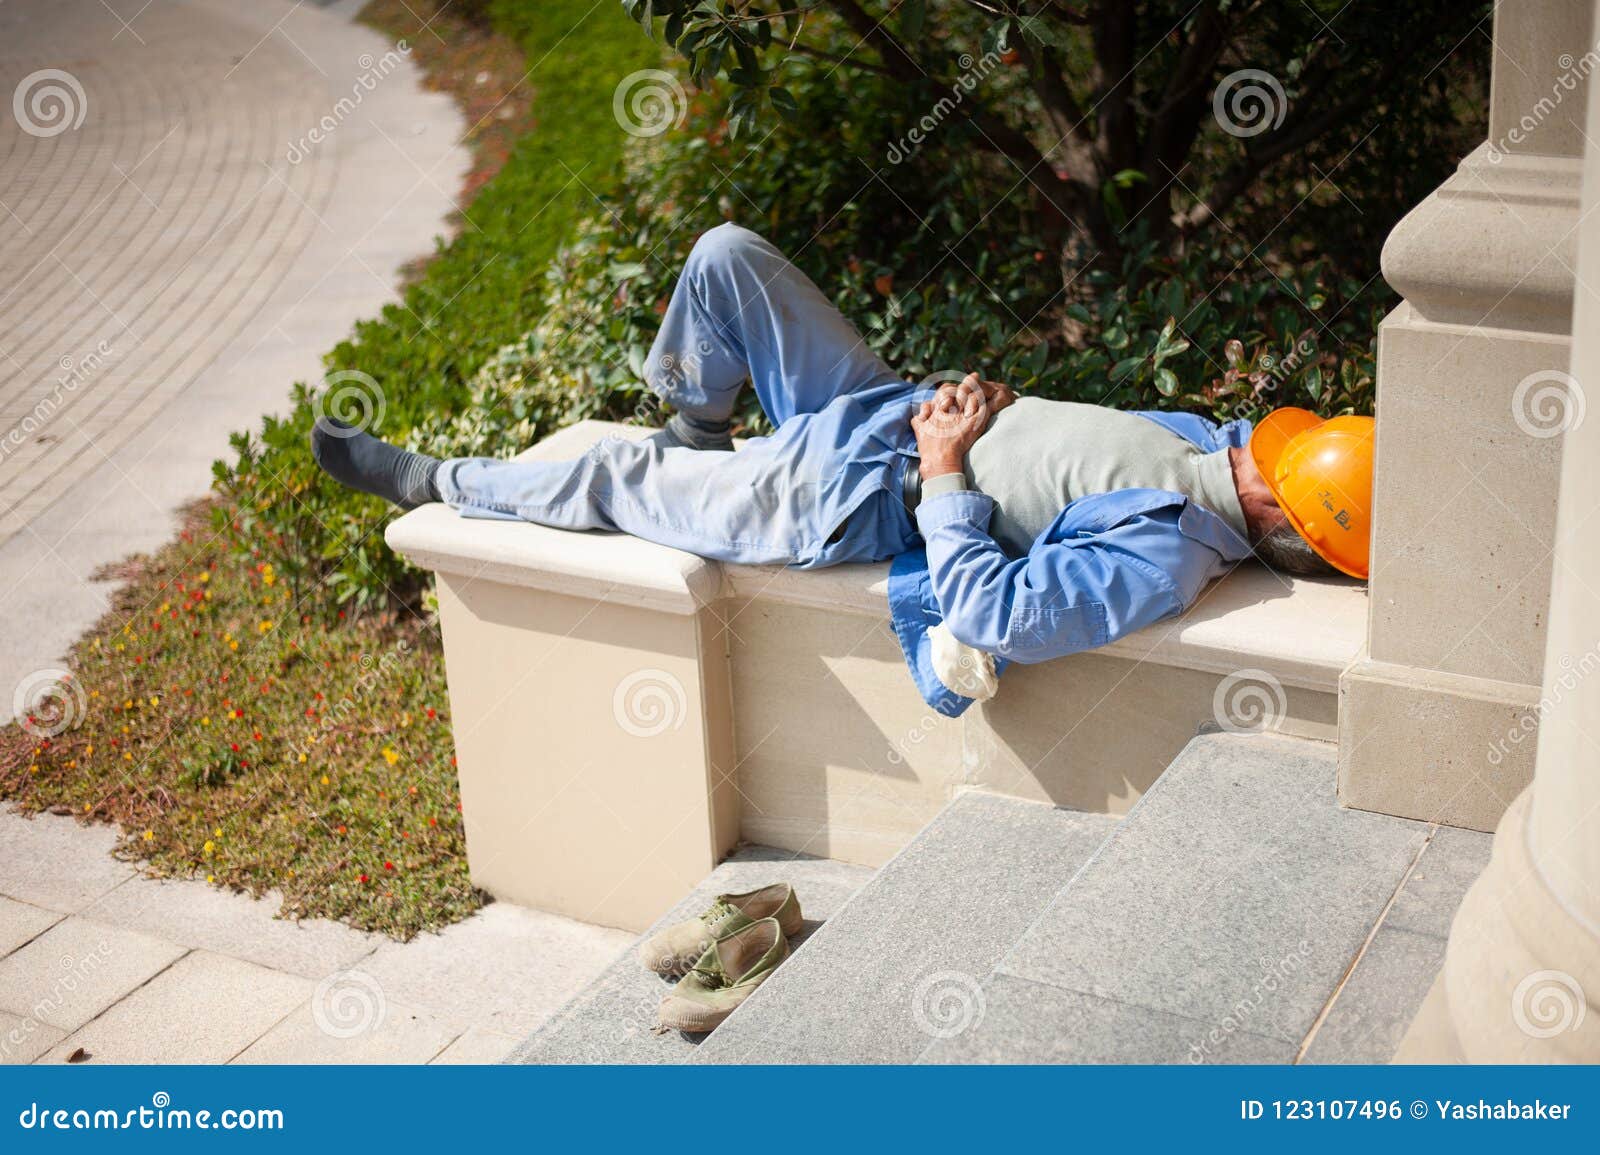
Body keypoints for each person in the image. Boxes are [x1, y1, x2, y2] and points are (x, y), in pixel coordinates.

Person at [313, 223, 1373, 714]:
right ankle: (697, 428)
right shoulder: (1202, 439)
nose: (1250, 436)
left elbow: (998, 616)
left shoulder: (1167, 555)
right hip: (878, 410)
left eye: (1270, 453)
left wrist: (950, 467)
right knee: (726, 257)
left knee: (609, 478)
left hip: (847, 495)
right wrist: (993, 402)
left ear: (1281, 515)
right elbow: (1074, 435)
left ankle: (434, 481)